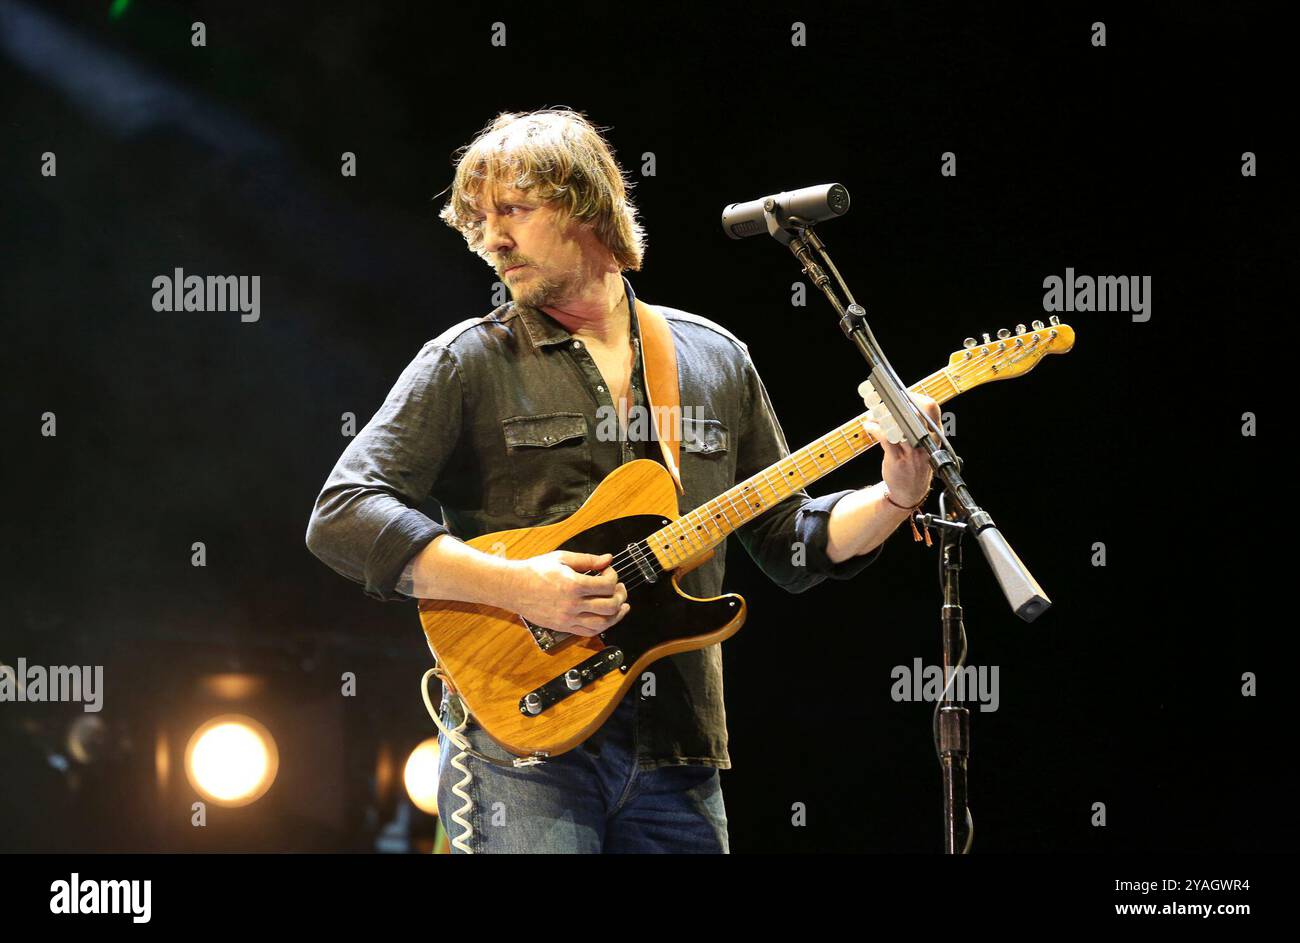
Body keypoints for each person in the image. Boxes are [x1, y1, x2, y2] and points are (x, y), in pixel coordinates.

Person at [305, 107, 940, 853]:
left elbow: (791, 543)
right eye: (478, 221)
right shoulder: (465, 361)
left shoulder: (713, 358)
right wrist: (520, 586)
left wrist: (896, 495)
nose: (491, 239)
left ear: (585, 204)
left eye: (511, 209)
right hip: (523, 748)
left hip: (679, 749)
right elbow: (344, 514)